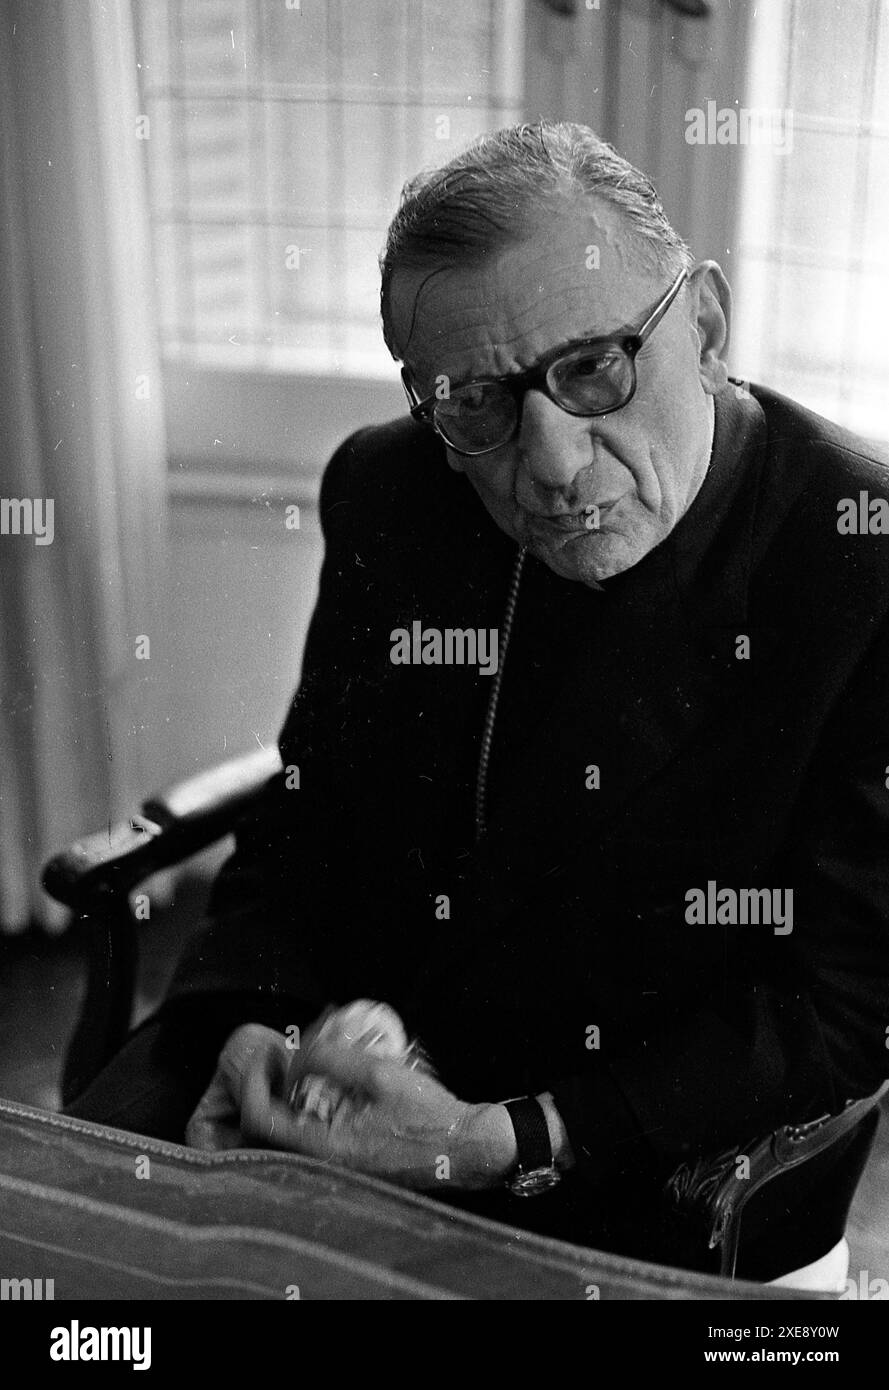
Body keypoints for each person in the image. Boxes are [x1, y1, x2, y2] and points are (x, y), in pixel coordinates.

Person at [69, 122, 889, 1284]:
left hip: (645, 1137)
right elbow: (304, 823)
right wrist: (254, 1030)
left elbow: (842, 1009)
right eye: (475, 402)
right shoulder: (390, 486)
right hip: (357, 1062)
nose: (549, 463)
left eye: (595, 366)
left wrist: (495, 1141)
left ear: (703, 327)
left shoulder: (863, 559)